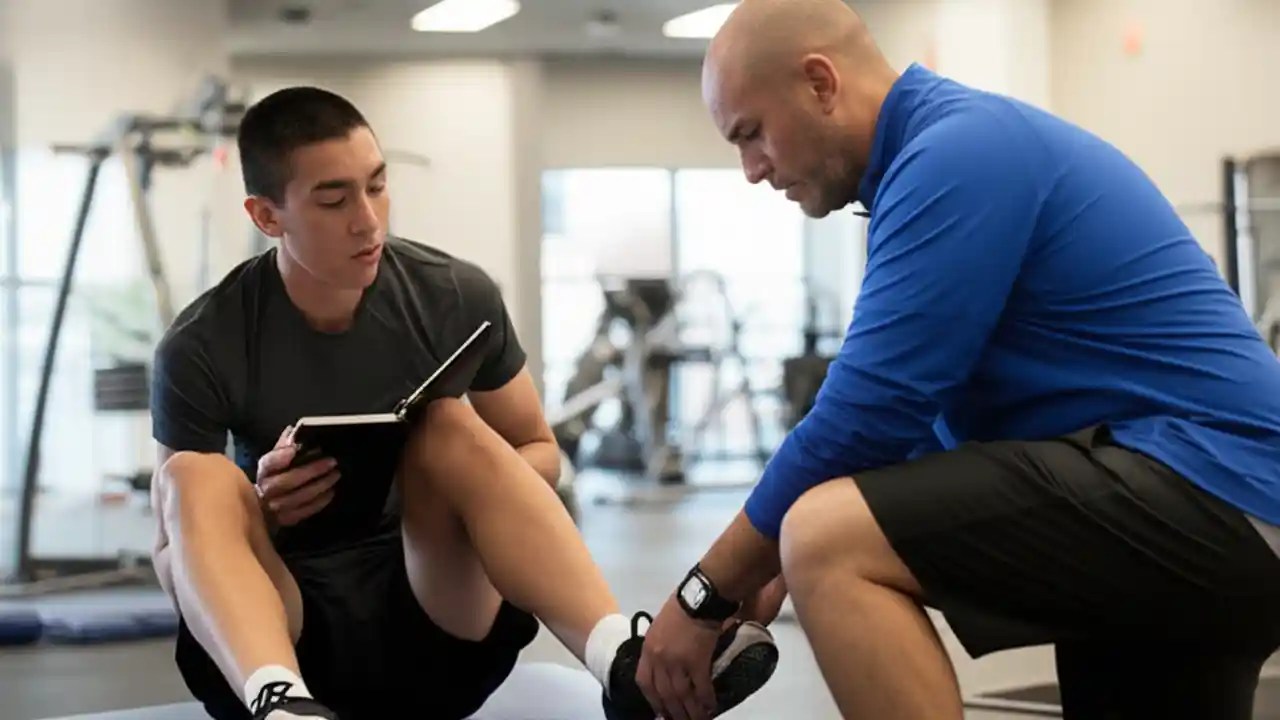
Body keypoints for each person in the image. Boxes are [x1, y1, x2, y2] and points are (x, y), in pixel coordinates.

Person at [633, 1, 1280, 719]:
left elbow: (866, 416)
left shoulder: (957, 153)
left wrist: (706, 593)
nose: (752, 170)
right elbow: (918, 424)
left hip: (1221, 488)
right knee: (811, 531)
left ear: (820, 83)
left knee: (824, 537)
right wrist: (766, 560)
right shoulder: (938, 160)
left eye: (752, 133)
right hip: (1199, 505)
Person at [148, 86, 778, 720]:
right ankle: (282, 707)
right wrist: (261, 512)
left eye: (377, 186)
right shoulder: (202, 343)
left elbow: (541, 452)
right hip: (285, 633)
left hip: (435, 626)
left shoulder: (453, 297)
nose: (368, 220)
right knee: (190, 477)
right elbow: (170, 551)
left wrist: (434, 482)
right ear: (267, 216)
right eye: (334, 200)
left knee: (447, 424)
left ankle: (623, 664)